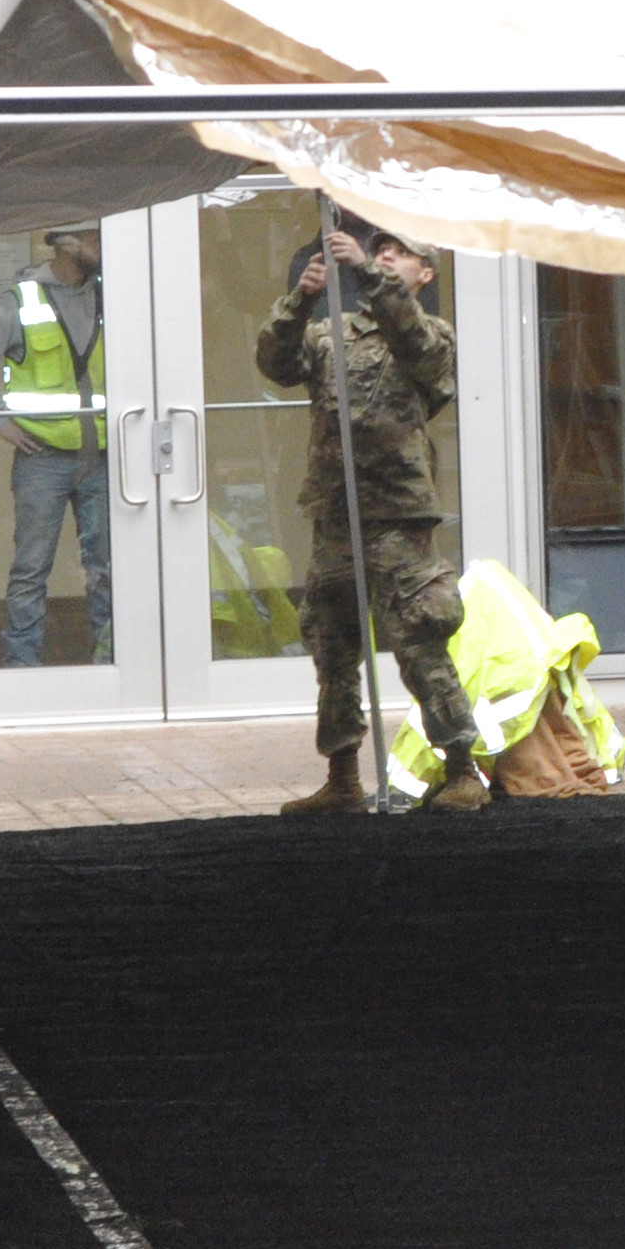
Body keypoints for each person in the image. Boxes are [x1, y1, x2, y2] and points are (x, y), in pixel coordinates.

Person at [262, 218, 487, 814]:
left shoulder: (429, 334)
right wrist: (301, 298)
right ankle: (342, 777)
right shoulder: (331, 334)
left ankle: (462, 768)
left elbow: (419, 348)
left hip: (396, 514)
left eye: (398, 253)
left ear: (425, 272)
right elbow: (276, 363)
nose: (385, 258)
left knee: (419, 638)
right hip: (338, 513)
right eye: (379, 250)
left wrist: (364, 268)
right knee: (333, 647)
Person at [0, 223, 114, 666]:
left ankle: (113, 665)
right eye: (95, 239)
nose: (103, 248)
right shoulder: (20, 301)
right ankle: (22, 669)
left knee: (106, 570)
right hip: (42, 458)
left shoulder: (111, 295)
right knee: (30, 571)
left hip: (101, 455)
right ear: (67, 244)